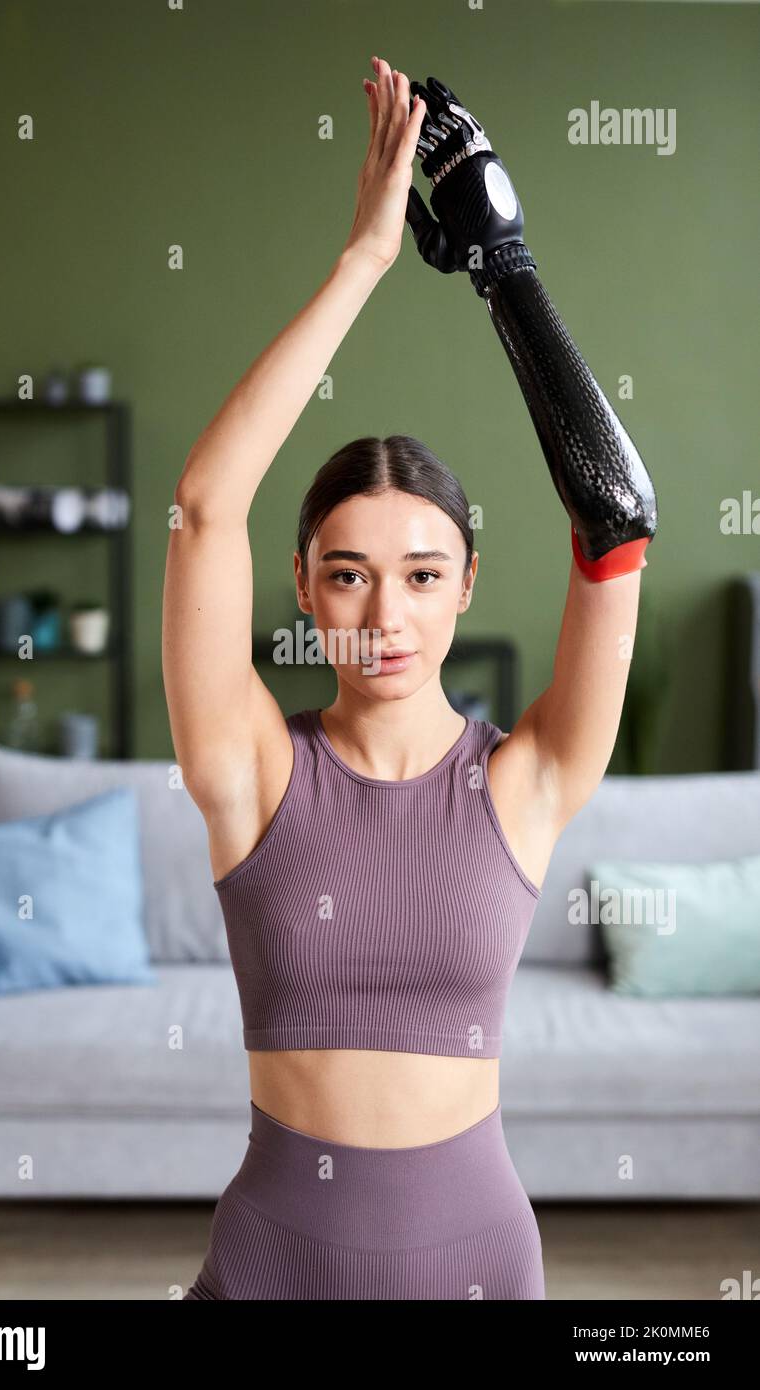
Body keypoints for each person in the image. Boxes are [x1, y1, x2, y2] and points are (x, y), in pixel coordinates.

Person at [162, 59, 657, 1301]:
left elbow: (616, 513)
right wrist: (366, 262)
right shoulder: (249, 771)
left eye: (421, 575)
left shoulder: (527, 781)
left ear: (467, 585)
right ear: (302, 586)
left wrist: (509, 273)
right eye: (346, 574)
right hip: (271, 1264)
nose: (383, 615)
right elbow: (203, 507)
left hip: (480, 1262)